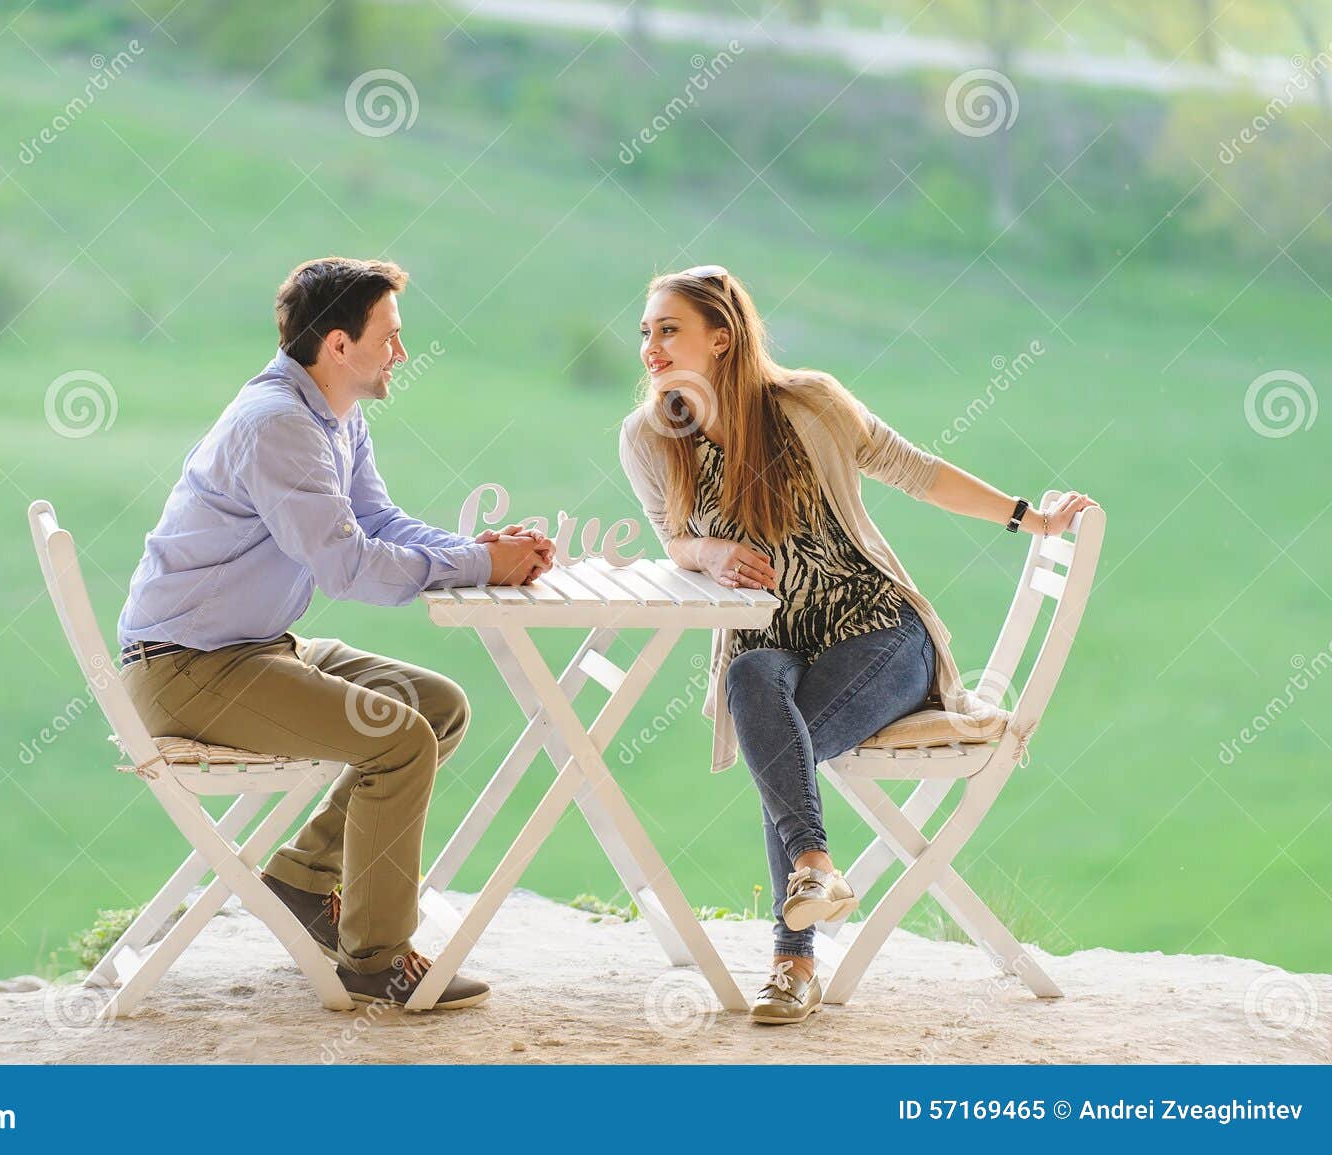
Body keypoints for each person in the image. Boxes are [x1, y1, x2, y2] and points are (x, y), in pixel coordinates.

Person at [617, 265, 1097, 1025]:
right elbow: (672, 539)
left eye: (669, 329)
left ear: (722, 337)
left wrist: (1030, 517)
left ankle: (793, 964)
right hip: (776, 644)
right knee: (751, 681)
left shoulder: (810, 404)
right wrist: (708, 552)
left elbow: (917, 471)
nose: (651, 347)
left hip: (879, 635)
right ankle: (816, 865)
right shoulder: (649, 438)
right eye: (646, 331)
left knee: (782, 746)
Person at [117, 256, 553, 1010]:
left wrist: (477, 552)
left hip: (250, 651)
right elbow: (348, 565)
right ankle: (375, 959)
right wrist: (484, 563)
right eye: (390, 336)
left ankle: (303, 881)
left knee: (437, 706)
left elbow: (378, 520)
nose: (402, 353)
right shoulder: (280, 426)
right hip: (189, 670)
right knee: (400, 740)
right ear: (339, 344)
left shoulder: (334, 413)